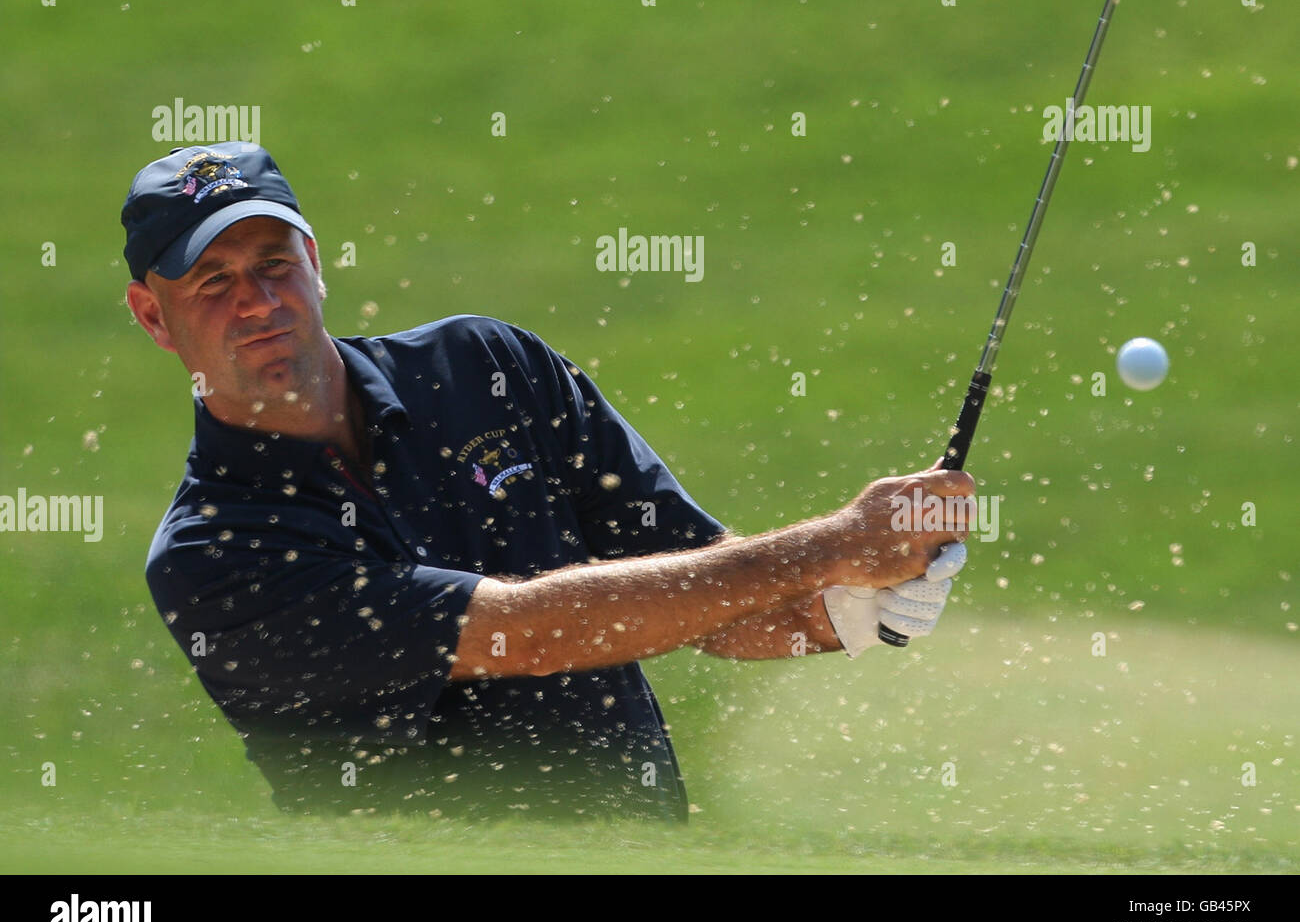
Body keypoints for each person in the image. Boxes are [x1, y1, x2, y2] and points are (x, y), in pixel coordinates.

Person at [123, 143, 972, 821]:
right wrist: (832, 544)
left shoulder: (485, 365)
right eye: (213, 281)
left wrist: (852, 607)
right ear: (154, 315)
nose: (259, 301)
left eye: (273, 263)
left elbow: (703, 593)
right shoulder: (215, 554)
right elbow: (519, 634)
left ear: (312, 260)